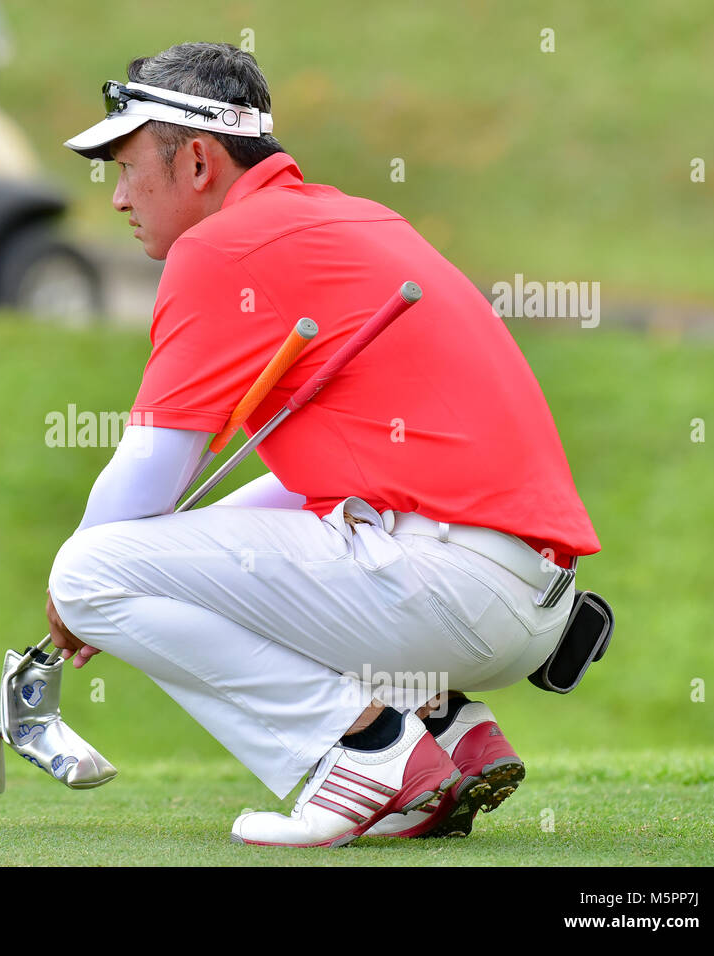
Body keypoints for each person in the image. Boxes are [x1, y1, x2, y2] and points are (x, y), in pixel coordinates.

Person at [45, 42, 600, 846]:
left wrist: (74, 599)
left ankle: (365, 749)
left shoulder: (223, 248)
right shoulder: (357, 217)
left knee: (91, 567)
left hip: (454, 583)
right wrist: (165, 559)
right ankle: (442, 731)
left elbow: (150, 470)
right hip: (524, 604)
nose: (119, 197)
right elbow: (292, 499)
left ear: (198, 161)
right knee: (160, 562)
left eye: (128, 167)